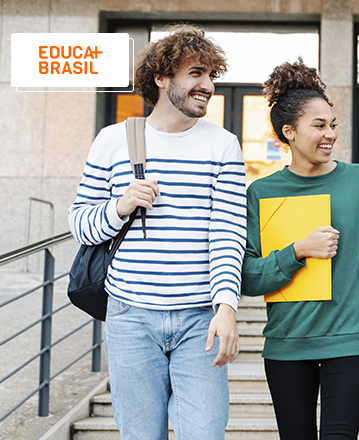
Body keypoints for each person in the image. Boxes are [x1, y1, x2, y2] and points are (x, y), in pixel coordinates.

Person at [67, 25, 246, 439]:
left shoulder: (223, 145)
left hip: (200, 319)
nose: (208, 85)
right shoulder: (113, 140)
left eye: (211, 75)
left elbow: (228, 233)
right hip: (130, 318)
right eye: (196, 73)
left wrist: (226, 306)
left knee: (203, 432)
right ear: (161, 77)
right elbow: (80, 222)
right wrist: (121, 205)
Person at [241, 59, 359, 440]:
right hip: (287, 343)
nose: (330, 135)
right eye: (319, 126)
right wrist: (297, 251)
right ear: (289, 132)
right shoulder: (261, 193)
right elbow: (246, 274)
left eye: (333, 125)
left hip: (351, 338)